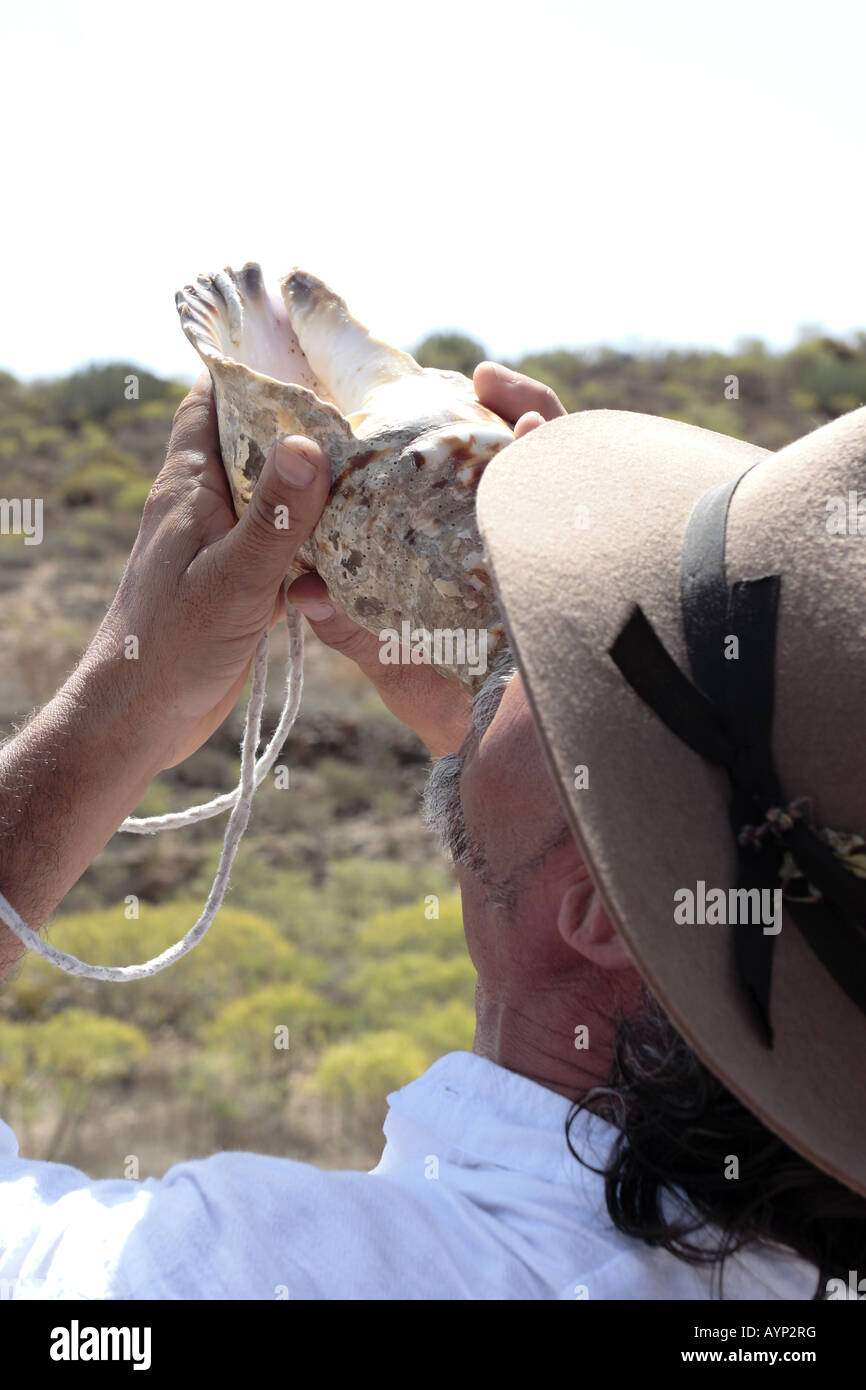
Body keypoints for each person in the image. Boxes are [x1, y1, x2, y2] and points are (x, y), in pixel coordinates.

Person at [0, 364, 863, 1300]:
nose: (533, 619)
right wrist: (518, 757)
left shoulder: (261, 1275)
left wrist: (117, 708)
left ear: (609, 915)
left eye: (599, 648)